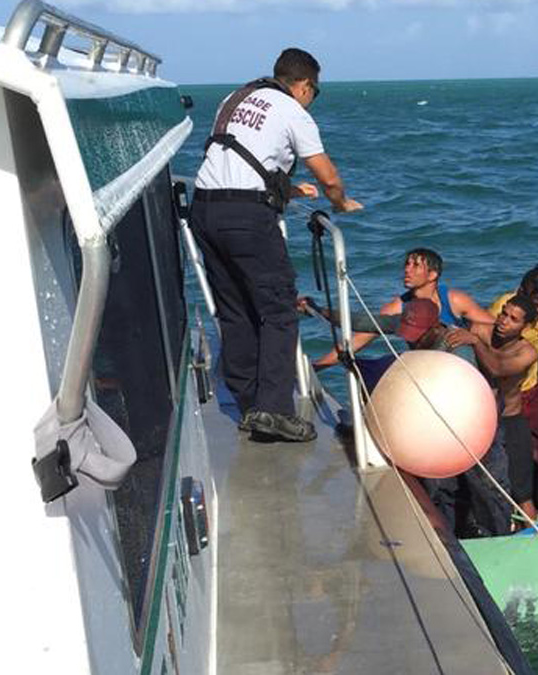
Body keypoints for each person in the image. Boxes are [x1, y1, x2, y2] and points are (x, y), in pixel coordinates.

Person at [191, 47, 362, 442]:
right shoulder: (292, 111)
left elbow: (240, 160)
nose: (312, 100)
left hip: (206, 209)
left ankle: (250, 404)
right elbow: (329, 176)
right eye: (314, 93)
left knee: (235, 310)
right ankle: (276, 412)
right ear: (304, 86)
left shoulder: (234, 99)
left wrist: (289, 191)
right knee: (280, 309)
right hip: (247, 219)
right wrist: (339, 203)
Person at [384, 299, 513, 539]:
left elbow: (466, 398)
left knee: (486, 487)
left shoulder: (457, 348)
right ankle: (447, 538)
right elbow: (374, 323)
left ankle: (497, 537)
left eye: (416, 336)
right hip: (440, 423)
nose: (411, 340)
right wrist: (321, 311)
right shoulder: (415, 326)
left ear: (434, 328)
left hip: (473, 422)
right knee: (440, 487)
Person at [311, 248, 492, 369]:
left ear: (433, 275)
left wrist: (473, 338)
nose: (407, 270)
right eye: (406, 264)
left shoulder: (454, 299)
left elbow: (494, 328)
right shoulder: (398, 307)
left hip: (461, 362)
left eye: (415, 265)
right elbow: (357, 340)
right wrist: (318, 367)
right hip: (425, 366)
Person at [447, 295, 538, 524]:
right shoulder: (479, 329)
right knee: (474, 485)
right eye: (503, 314)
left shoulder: (526, 352)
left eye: (513, 319)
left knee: (522, 494)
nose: (503, 321)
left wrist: (476, 343)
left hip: (510, 419)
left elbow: (497, 369)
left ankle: (531, 540)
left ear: (525, 326)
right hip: (480, 419)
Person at [489, 266, 538, 510]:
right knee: (502, 451)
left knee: (535, 452)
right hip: (506, 390)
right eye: (535, 303)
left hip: (531, 387)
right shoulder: (504, 307)